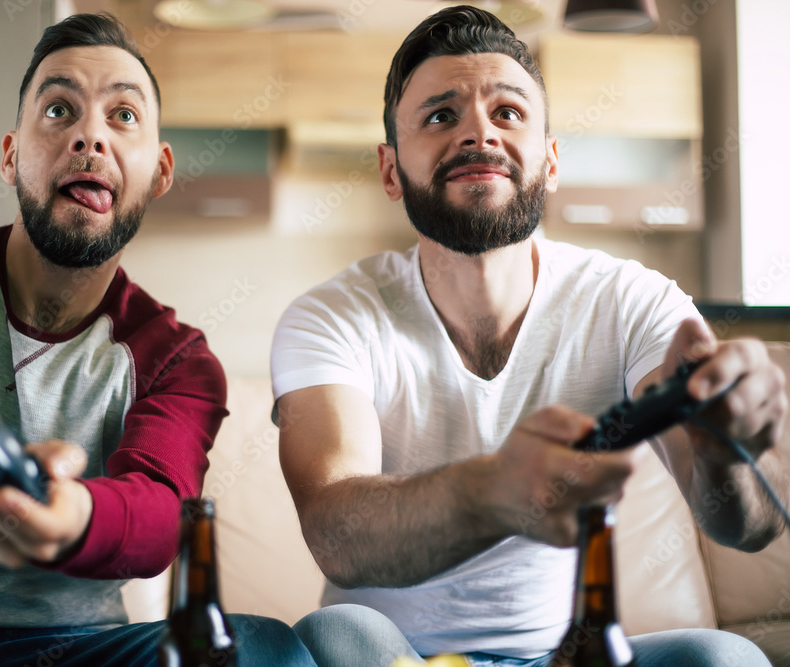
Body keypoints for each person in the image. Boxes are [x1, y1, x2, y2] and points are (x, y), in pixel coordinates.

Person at [0, 13, 315, 666]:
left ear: (160, 169)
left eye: (123, 116)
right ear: (11, 155)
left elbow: (158, 513)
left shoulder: (178, 358)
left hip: (75, 655)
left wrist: (74, 518)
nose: (89, 135)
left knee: (267, 647)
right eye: (59, 109)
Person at [272, 6, 787, 667]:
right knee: (335, 636)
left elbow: (745, 524)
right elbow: (335, 532)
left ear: (549, 159)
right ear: (391, 169)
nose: (478, 132)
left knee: (725, 656)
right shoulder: (332, 315)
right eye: (440, 116)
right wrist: (494, 490)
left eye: (508, 112)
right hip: (396, 657)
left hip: (563, 657)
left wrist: (728, 452)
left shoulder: (631, 302)